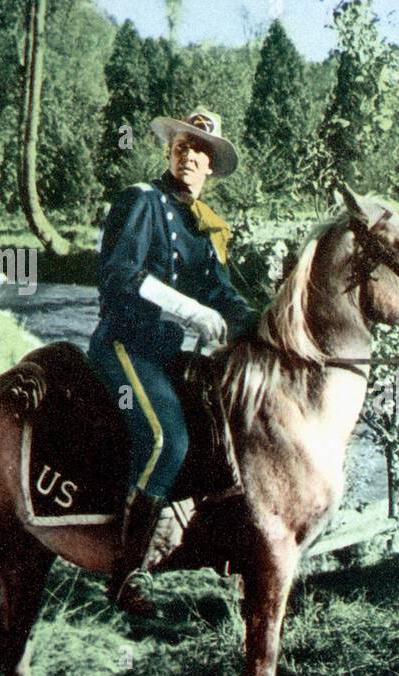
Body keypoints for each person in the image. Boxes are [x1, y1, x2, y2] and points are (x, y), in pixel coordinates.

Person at [88, 108, 257, 614]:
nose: (190, 157)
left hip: (167, 357)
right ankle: (124, 578)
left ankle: (196, 556)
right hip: (125, 345)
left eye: (201, 152)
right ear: (169, 153)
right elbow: (118, 274)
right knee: (167, 439)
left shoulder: (201, 231)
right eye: (183, 147)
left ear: (210, 169)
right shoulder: (142, 201)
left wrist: (276, 328)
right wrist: (189, 310)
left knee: (220, 439)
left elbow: (226, 299)